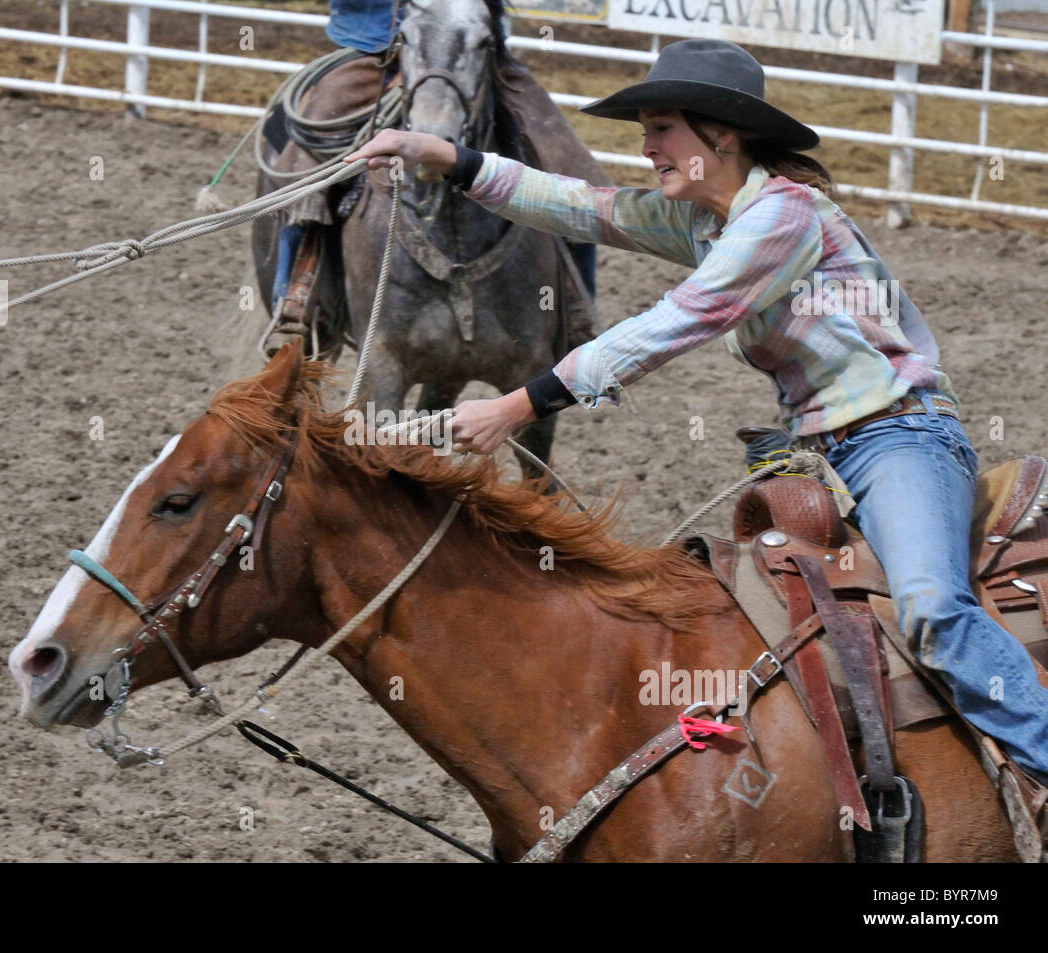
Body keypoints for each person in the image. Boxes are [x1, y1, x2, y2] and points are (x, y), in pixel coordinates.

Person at [342, 38, 1048, 789]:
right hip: (823, 454)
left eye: (660, 129)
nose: (646, 149)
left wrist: (521, 403)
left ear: (724, 134)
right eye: (645, 132)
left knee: (933, 609)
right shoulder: (709, 220)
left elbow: (679, 319)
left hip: (902, 439)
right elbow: (580, 207)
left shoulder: (783, 217)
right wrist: (444, 155)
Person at [264, 0, 601, 355]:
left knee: (565, 156)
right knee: (309, 156)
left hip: (468, 44)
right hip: (377, 44)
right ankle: (294, 298)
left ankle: (578, 316)